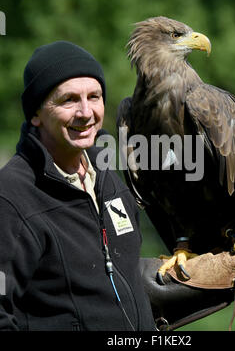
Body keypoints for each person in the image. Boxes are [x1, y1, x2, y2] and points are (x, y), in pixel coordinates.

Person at [0, 41, 156, 331]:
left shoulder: (108, 176)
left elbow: (118, 273)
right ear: (36, 114)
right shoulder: (11, 197)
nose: (86, 112)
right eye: (69, 100)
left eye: (94, 96)